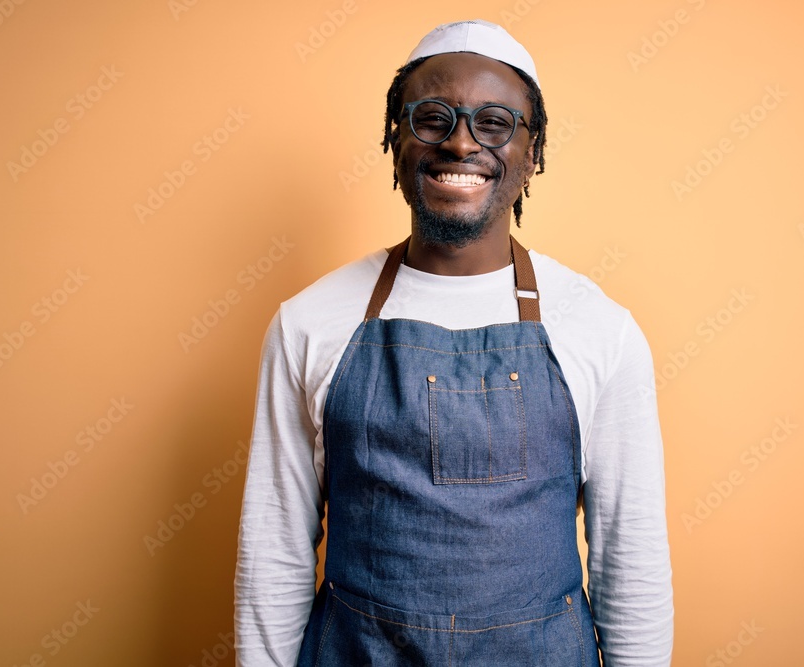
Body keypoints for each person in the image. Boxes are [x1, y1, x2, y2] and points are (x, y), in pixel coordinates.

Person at [234, 19, 673, 666]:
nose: (462, 142)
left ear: (534, 151)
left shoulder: (599, 328)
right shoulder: (310, 320)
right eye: (432, 118)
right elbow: (274, 549)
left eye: (495, 122)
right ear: (395, 139)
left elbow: (629, 555)